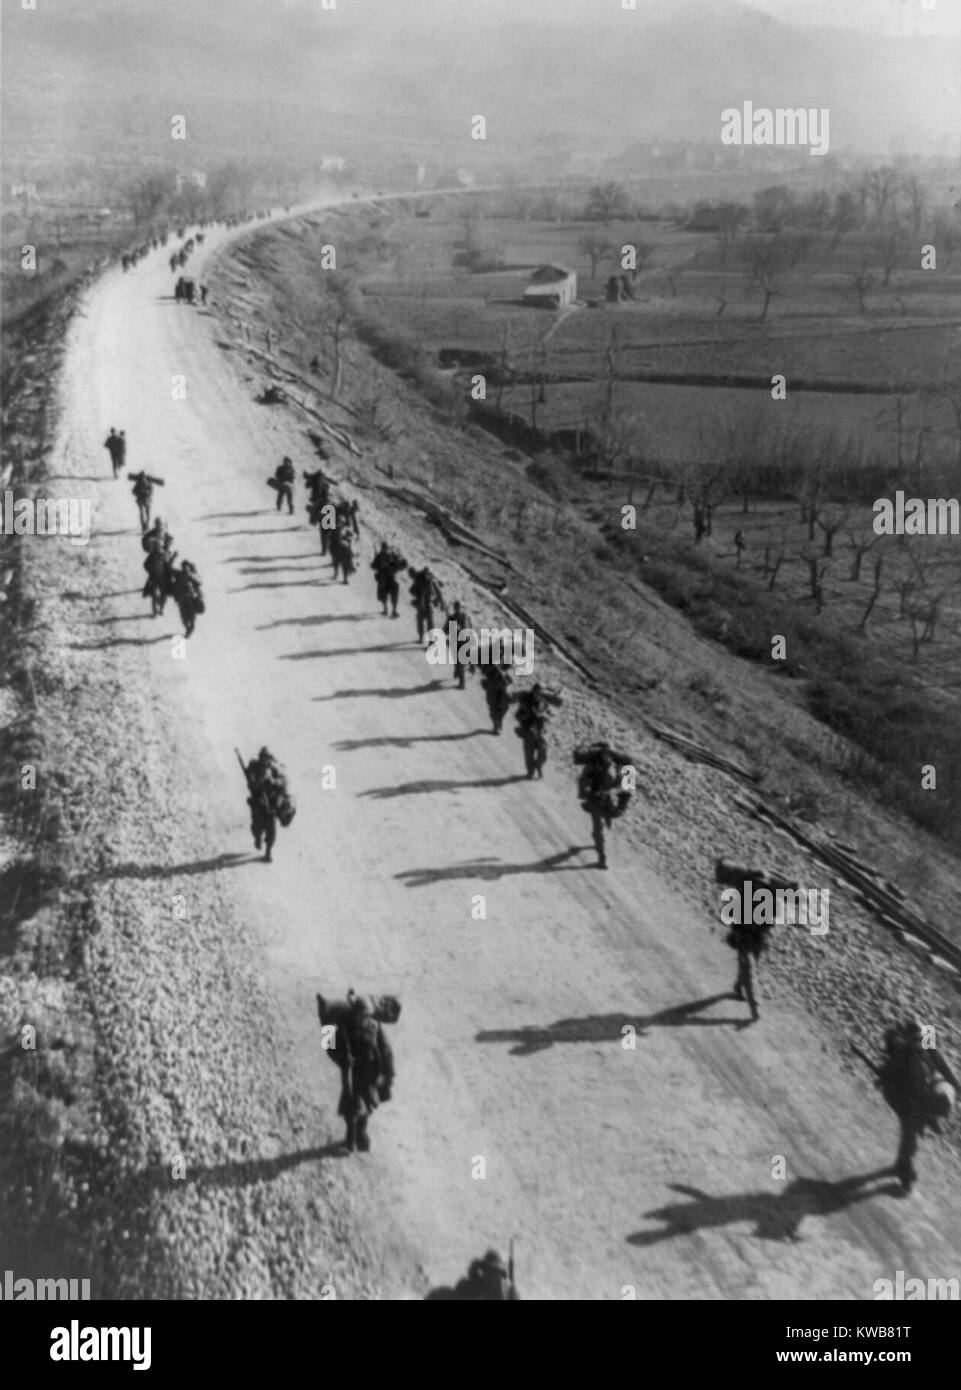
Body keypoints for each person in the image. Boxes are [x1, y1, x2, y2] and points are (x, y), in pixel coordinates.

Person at [877, 1020, 959, 1194]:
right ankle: (904, 1170)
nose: (918, 1044)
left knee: (945, 1096)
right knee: (910, 1133)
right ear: (907, 1041)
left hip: (927, 1086)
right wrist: (907, 1107)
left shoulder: (927, 1040)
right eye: (914, 1041)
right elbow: (890, 1082)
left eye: (919, 1040)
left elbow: (941, 1062)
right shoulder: (901, 1057)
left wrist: (957, 1085)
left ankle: (930, 1118)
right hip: (906, 1096)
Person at [315, 990, 400, 1153]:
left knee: (367, 1107)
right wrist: (327, 1027)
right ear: (355, 1014)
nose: (362, 1019)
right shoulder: (345, 1028)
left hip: (371, 1075)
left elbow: (386, 1050)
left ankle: (361, 1134)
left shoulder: (375, 1027)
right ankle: (350, 1139)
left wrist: (389, 1074)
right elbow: (329, 1047)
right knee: (350, 1109)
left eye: (365, 1015)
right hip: (352, 1075)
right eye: (360, 1015)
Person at [575, 741, 633, 870]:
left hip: (600, 801)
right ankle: (601, 852)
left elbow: (583, 782)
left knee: (598, 830)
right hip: (609, 801)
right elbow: (628, 789)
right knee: (601, 828)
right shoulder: (620, 765)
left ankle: (602, 857)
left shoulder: (594, 765)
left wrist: (586, 795)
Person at [242, 747, 291, 863]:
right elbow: (251, 785)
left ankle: (268, 852)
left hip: (271, 804)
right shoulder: (253, 768)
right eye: (263, 758)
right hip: (258, 804)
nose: (265, 761)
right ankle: (258, 838)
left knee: (271, 831)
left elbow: (284, 781)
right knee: (257, 828)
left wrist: (274, 782)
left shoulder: (274, 769)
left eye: (267, 759)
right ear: (260, 758)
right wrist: (259, 781)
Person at [426, 1250, 520, 1301]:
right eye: (488, 1270)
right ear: (482, 1271)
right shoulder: (468, 1286)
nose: (490, 1275)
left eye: (494, 1272)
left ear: (500, 1274)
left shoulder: (508, 1293)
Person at [514, 683, 559, 781]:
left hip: (541, 730)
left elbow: (551, 714)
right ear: (534, 692)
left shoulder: (544, 702)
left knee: (543, 752)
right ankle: (530, 772)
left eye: (542, 693)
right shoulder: (526, 702)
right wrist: (528, 714)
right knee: (529, 754)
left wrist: (545, 717)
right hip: (528, 730)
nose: (540, 695)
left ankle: (538, 765)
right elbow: (517, 716)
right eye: (538, 693)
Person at [371, 541, 407, 618]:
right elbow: (373, 566)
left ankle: (393, 611)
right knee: (384, 595)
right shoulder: (380, 556)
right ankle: (386, 609)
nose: (385, 550)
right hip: (384, 578)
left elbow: (399, 565)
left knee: (394, 592)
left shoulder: (390, 556)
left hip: (389, 578)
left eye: (385, 548)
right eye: (384, 548)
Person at [410, 566, 444, 645]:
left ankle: (422, 639)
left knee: (421, 621)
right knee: (429, 623)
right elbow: (439, 593)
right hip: (428, 604)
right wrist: (438, 602)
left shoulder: (419, 580)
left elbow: (412, 591)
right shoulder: (432, 581)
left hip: (423, 604)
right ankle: (429, 642)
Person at [172, 559, 204, 638]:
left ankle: (192, 626)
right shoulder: (179, 574)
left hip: (192, 597)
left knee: (192, 614)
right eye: (184, 567)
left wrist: (191, 577)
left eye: (187, 567)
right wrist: (172, 558)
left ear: (189, 567)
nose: (185, 568)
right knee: (183, 615)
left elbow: (200, 582)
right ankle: (188, 628)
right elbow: (170, 569)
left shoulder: (193, 574)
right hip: (181, 598)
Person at [480, 664, 512, 735]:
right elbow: (484, 671)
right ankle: (496, 725)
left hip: (501, 692)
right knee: (493, 707)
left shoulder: (503, 672)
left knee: (505, 707)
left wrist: (506, 680)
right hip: (492, 690)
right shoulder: (492, 667)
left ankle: (498, 721)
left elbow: (509, 681)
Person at [446, 600, 472, 689]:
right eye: (457, 608)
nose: (458, 610)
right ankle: (458, 670)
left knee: (460, 662)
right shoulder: (465, 616)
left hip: (462, 642)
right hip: (462, 642)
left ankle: (462, 684)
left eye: (458, 608)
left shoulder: (457, 617)